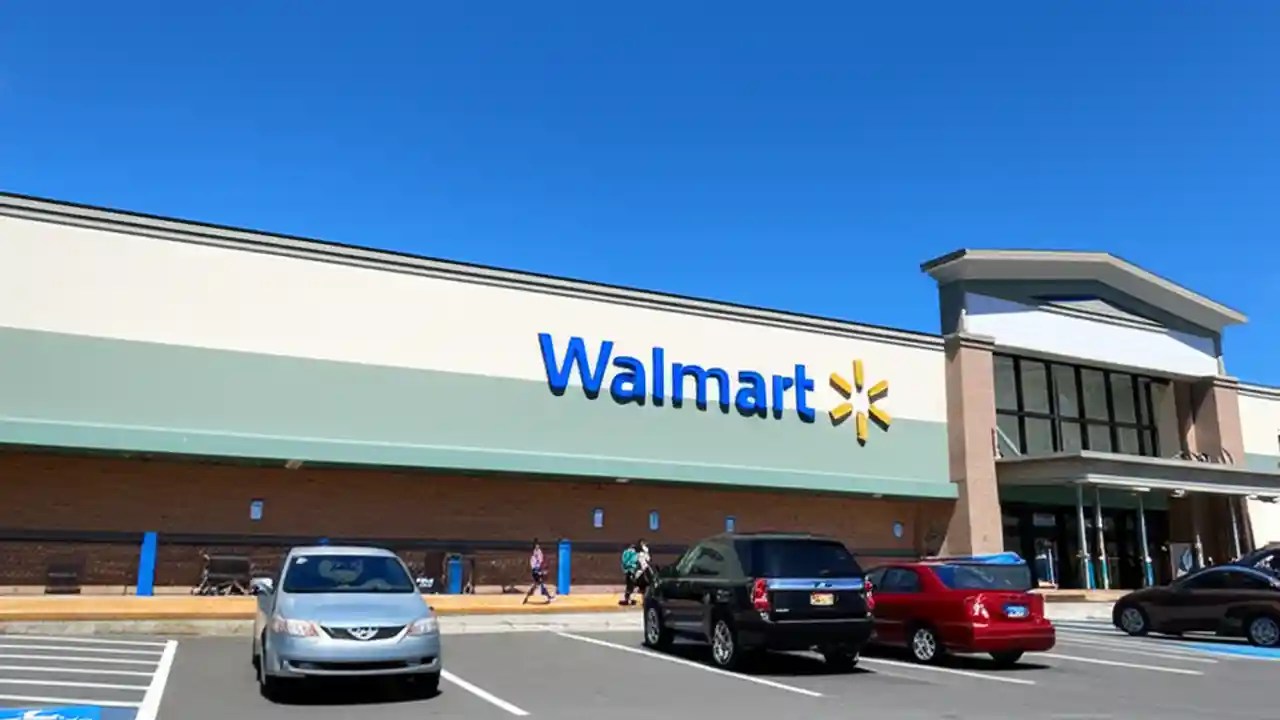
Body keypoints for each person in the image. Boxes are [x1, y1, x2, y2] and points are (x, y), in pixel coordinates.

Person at [523, 538, 553, 604]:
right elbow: (535, 565)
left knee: (536, 585)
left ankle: (526, 598)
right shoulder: (534, 555)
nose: (537, 546)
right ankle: (548, 597)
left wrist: (542, 570)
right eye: (536, 545)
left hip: (537, 570)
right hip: (535, 571)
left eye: (538, 545)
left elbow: (540, 561)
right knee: (540, 584)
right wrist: (539, 572)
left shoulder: (538, 552)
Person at [620, 540, 642, 606]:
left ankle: (628, 599)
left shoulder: (625, 552)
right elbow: (633, 562)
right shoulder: (634, 553)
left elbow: (624, 562)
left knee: (630, 585)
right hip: (631, 571)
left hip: (628, 571)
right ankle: (628, 600)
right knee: (631, 586)